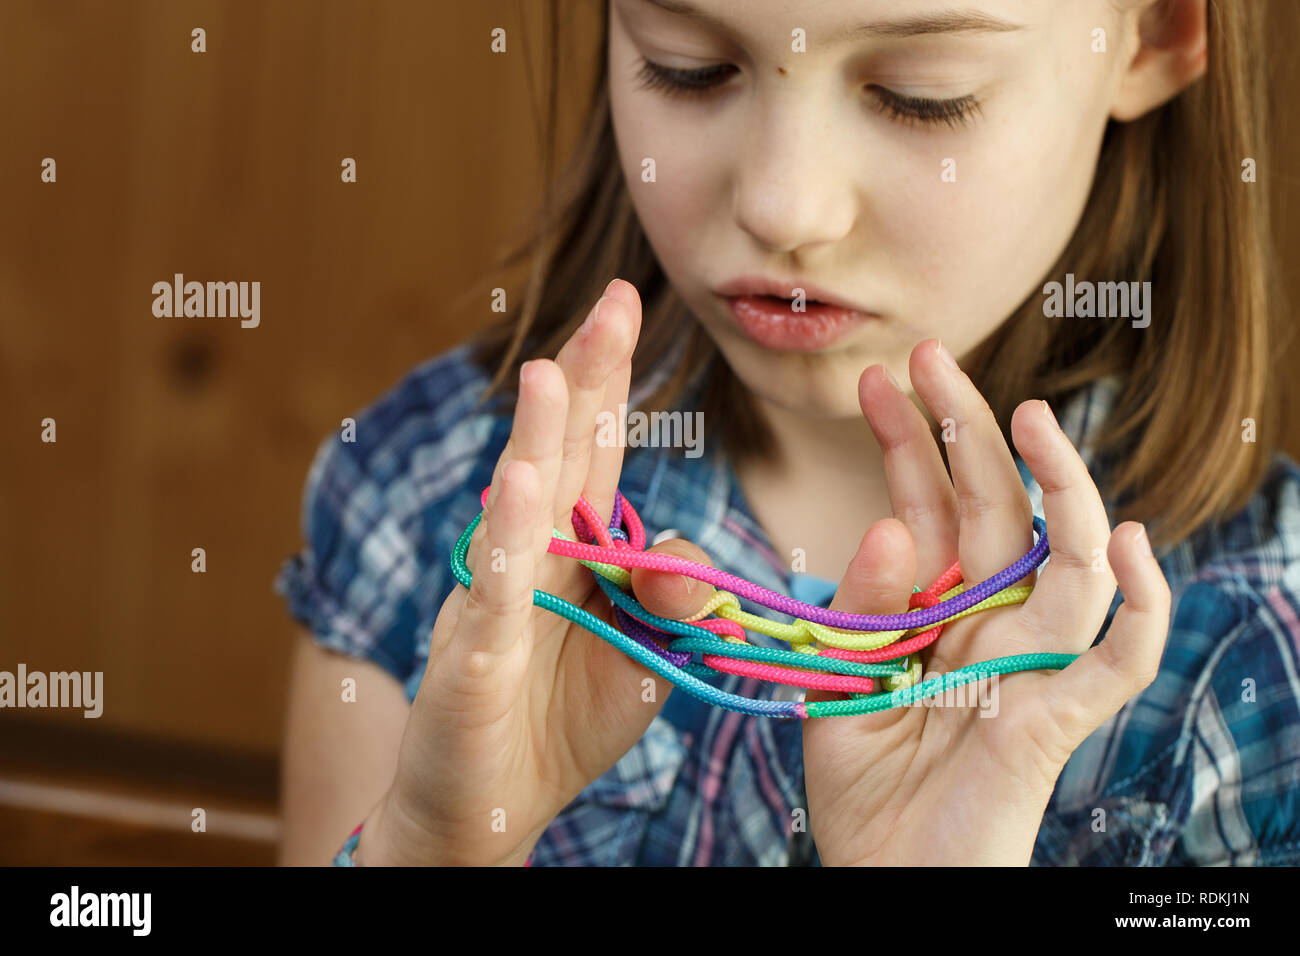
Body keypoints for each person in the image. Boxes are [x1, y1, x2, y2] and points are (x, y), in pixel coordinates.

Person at [276, 0, 1300, 865]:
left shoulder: (1258, 655)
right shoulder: (437, 487)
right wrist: (432, 842)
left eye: (921, 92)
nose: (781, 206)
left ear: (1156, 31)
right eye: (688, 69)